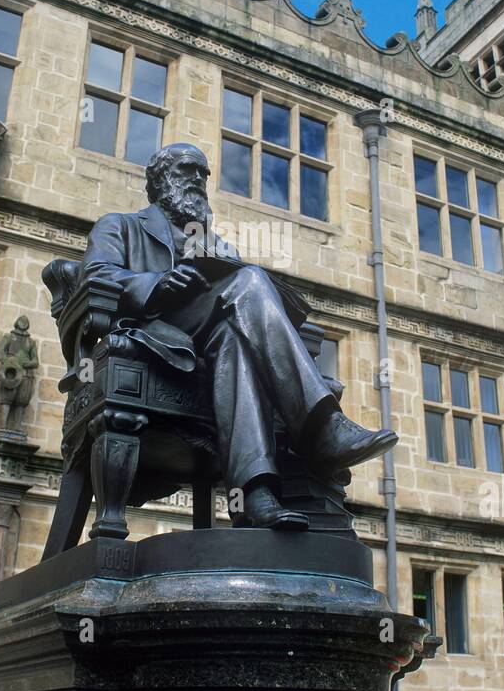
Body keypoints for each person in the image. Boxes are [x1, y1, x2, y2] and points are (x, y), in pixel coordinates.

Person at [81, 142, 396, 529]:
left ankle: (254, 492)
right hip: (158, 335)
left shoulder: (216, 243)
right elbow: (96, 276)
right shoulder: (121, 225)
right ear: (160, 180)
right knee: (250, 279)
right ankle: (321, 428)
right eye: (187, 170)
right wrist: (158, 284)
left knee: (236, 342)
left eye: (203, 173)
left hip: (211, 342)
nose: (198, 179)